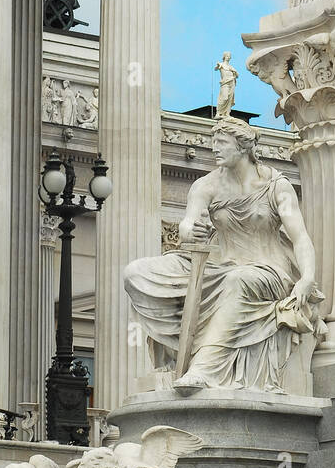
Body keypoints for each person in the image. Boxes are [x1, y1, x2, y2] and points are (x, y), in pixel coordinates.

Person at [124, 118, 323, 391]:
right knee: (136, 273)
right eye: (213, 141)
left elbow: (300, 238)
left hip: (267, 271)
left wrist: (307, 277)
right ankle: (180, 350)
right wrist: (190, 231)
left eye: (221, 143)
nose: (214, 148)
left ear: (242, 147)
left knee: (238, 281)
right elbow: (188, 223)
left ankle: (204, 369)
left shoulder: (276, 185)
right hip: (221, 266)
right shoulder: (207, 185)